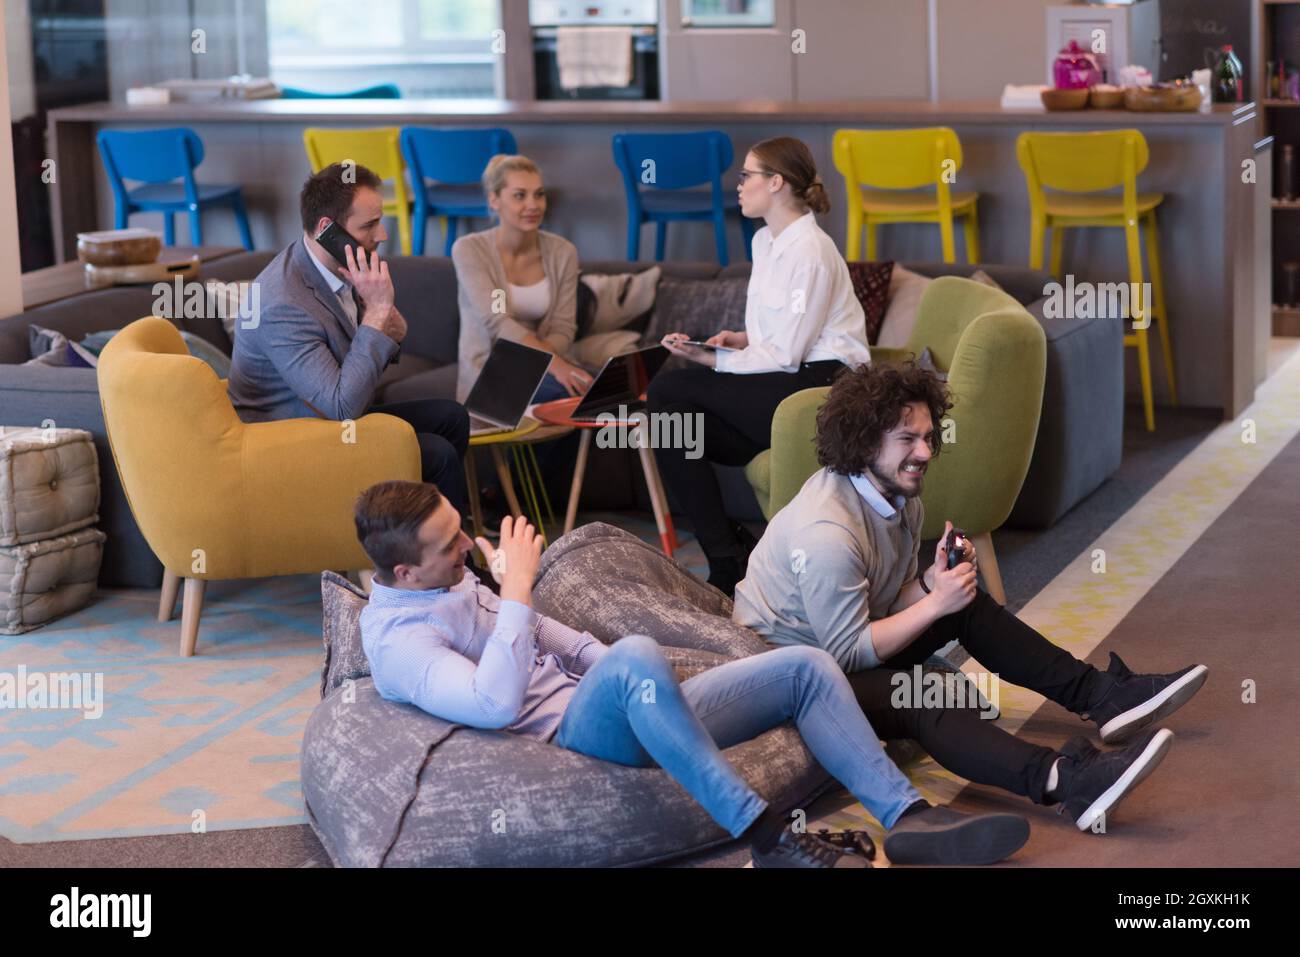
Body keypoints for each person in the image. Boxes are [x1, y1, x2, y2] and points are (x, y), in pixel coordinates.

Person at [354, 479, 1033, 868]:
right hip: (575, 732)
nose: (469, 545)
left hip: (626, 703)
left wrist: (646, 695)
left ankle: (907, 816)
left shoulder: (448, 582)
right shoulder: (402, 644)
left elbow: (564, 641)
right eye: (451, 546)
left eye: (458, 527)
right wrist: (521, 588)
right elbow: (496, 701)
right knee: (634, 656)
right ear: (404, 572)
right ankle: (769, 841)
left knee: (806, 666)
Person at [733, 362, 1210, 833]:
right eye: (907, 439)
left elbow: (880, 604)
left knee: (963, 601)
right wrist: (933, 604)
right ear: (863, 443)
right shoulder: (827, 535)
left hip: (840, 643)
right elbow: (846, 655)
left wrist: (930, 587)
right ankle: (1068, 782)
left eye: (927, 436)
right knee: (921, 696)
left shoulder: (900, 498)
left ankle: (1102, 696)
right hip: (794, 674)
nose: (924, 451)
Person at [649, 136, 872, 597]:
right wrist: (742, 340)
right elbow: (784, 332)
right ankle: (727, 560)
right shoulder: (765, 241)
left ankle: (729, 556)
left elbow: (790, 354)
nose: (739, 185)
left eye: (747, 175)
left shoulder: (810, 250)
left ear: (775, 183)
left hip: (824, 385)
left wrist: (715, 359)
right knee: (671, 423)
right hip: (787, 375)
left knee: (669, 393)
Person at [228, 162, 469, 513]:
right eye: (370, 224)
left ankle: (434, 548)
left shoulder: (335, 266)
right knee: (437, 454)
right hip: (290, 445)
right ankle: (441, 560)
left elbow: (357, 369)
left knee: (451, 417)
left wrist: (388, 324)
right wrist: (376, 313)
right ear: (328, 229)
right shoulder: (281, 302)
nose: (383, 234)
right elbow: (343, 407)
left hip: (328, 421)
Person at [452, 154, 592, 405]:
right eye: (520, 195)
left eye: (539, 194)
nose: (533, 205)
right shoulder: (470, 250)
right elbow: (497, 320)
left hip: (548, 365)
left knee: (601, 391)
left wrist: (544, 365)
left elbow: (563, 327)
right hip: (490, 370)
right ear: (494, 200)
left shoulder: (563, 252)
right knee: (562, 395)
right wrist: (553, 364)